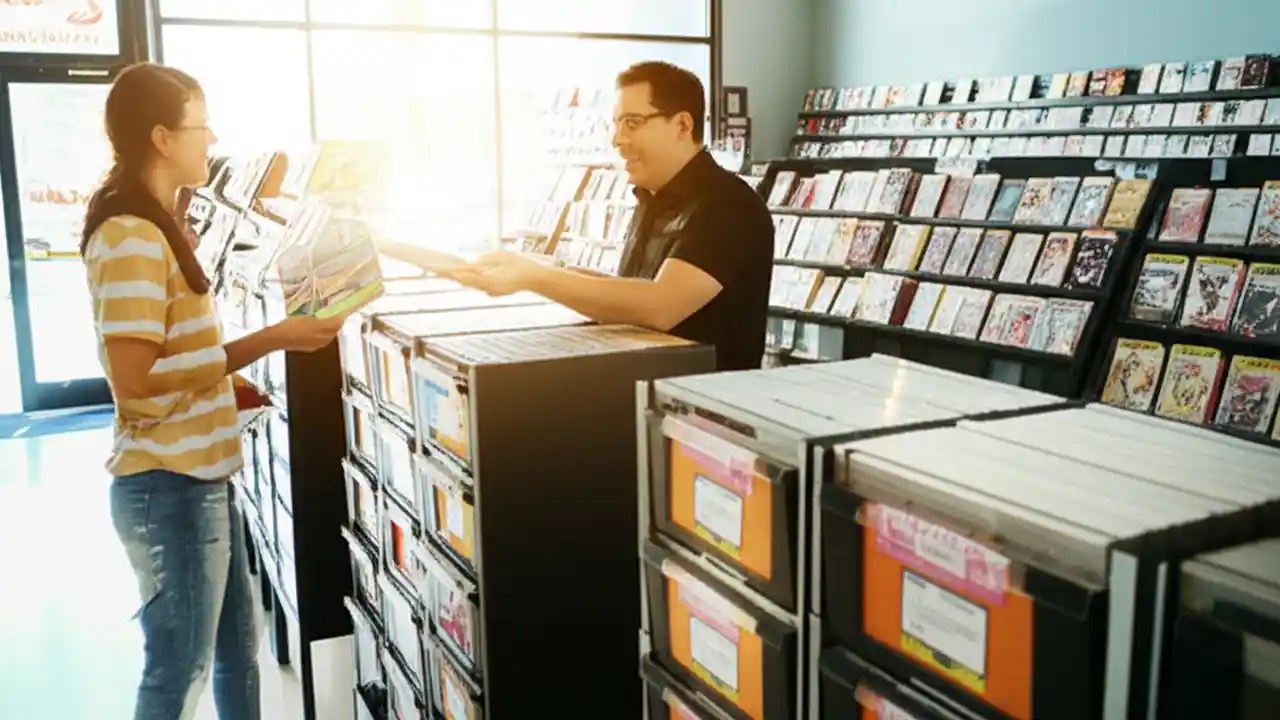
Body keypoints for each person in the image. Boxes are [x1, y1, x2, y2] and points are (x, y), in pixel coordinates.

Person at [81, 62, 347, 720]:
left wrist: (227, 377)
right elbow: (134, 385)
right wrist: (268, 341)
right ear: (163, 137)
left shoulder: (154, 226)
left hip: (200, 476)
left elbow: (174, 354)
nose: (211, 139)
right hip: (169, 485)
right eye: (201, 126)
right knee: (178, 671)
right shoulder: (131, 237)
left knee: (234, 654)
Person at [385, 61, 774, 371]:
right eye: (616, 123)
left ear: (683, 125)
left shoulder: (727, 207)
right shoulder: (650, 201)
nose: (617, 139)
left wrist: (536, 277)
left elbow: (659, 306)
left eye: (633, 123)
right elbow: (630, 293)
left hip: (707, 427)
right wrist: (546, 266)